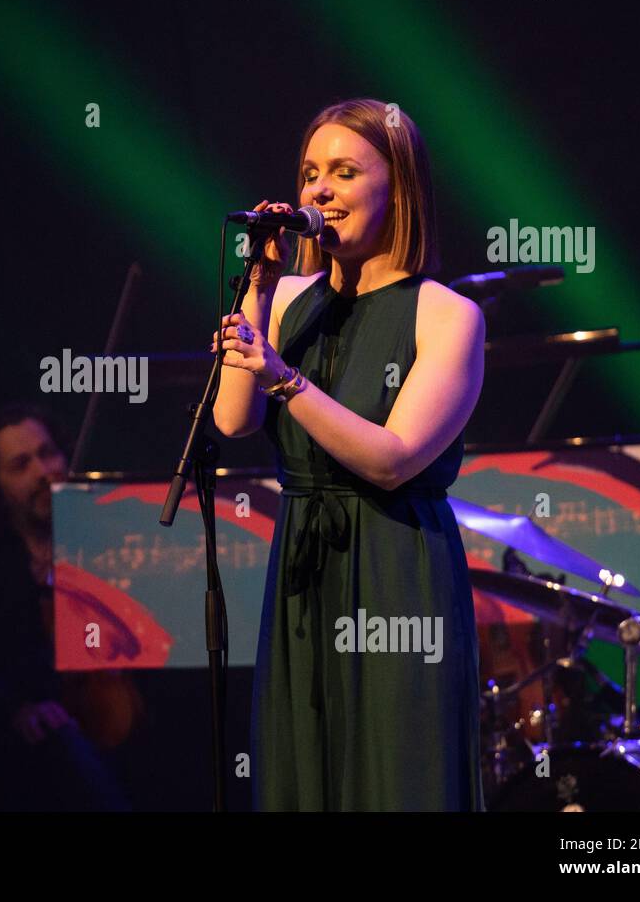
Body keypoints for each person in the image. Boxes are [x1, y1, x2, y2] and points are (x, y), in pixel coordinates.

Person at [211, 99, 485, 810]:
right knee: (307, 773)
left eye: (343, 172)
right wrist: (258, 289)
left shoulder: (447, 314)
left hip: (397, 569)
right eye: (309, 174)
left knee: (397, 775)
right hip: (304, 564)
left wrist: (284, 377)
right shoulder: (286, 299)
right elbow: (232, 418)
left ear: (399, 186)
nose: (319, 191)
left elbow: (392, 459)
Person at [0, 404, 138, 810]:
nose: (42, 471)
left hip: (124, 744)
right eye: (21, 465)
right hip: (27, 762)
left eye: (47, 453)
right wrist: (17, 710)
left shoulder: (108, 547)